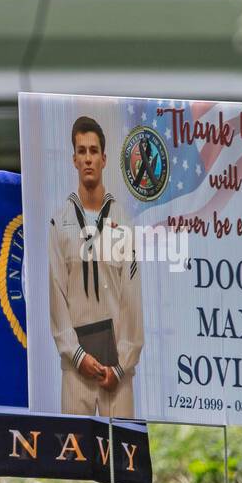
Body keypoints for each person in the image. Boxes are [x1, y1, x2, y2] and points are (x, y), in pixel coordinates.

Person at [48, 115, 144, 418]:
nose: (88, 158)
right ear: (74, 159)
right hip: (77, 367)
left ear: (104, 159)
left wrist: (122, 363)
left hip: (117, 367)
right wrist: (76, 355)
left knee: (120, 455)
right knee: (77, 456)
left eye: (93, 151)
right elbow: (56, 295)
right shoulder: (59, 223)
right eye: (82, 151)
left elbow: (132, 299)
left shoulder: (122, 222)